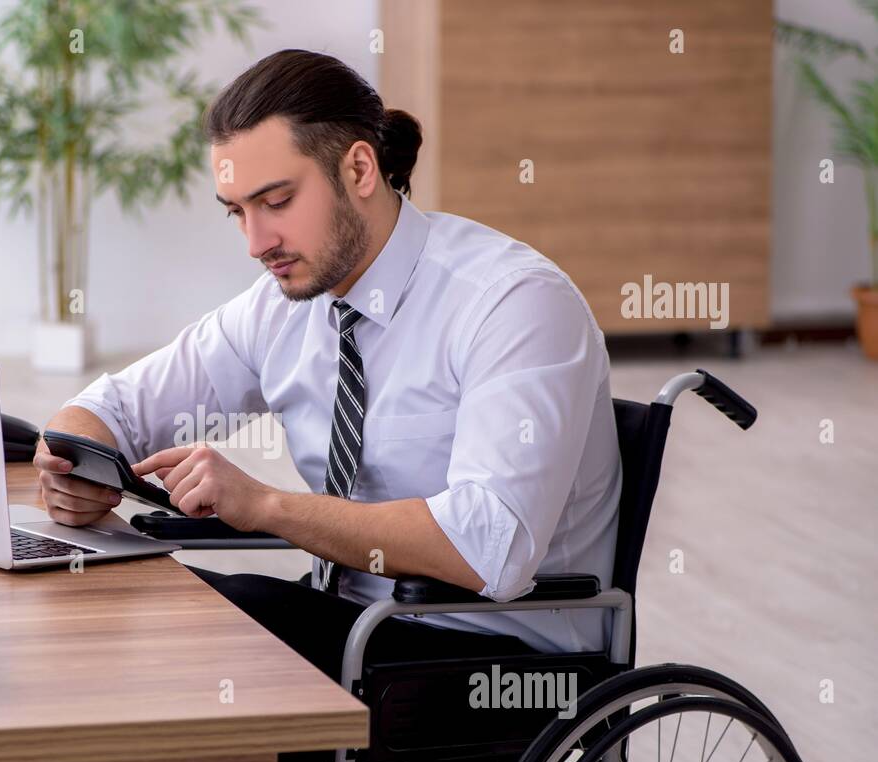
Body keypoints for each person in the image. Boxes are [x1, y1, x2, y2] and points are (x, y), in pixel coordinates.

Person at [33, 48, 621, 690]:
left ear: (361, 168)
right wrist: (72, 464)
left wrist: (265, 505)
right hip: (359, 622)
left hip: (496, 660)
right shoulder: (285, 306)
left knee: (183, 629)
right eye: (236, 211)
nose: (256, 243)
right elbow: (111, 408)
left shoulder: (513, 303)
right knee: (110, 594)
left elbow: (491, 549)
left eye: (276, 201)